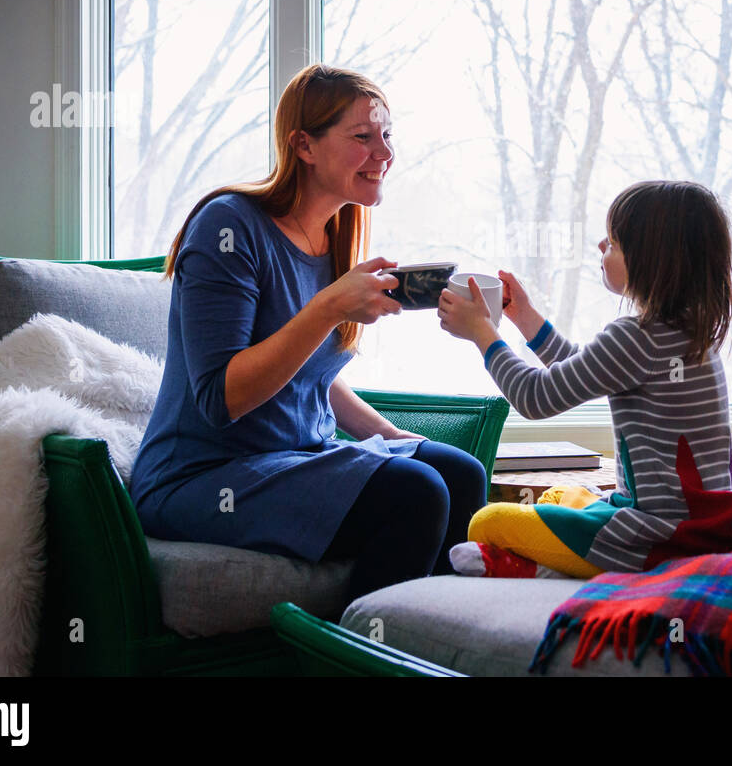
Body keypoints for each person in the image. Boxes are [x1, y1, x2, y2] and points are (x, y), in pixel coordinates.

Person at [130, 64, 488, 605]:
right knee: (414, 494)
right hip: (203, 476)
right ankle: (356, 659)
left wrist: (397, 441)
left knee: (457, 472)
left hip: (298, 456)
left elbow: (314, 378)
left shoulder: (334, 237)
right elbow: (221, 398)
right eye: (363, 137)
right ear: (304, 146)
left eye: (387, 136)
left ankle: (422, 648)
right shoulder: (228, 227)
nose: (385, 154)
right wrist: (326, 308)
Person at [436, 180, 732, 579]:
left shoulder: (637, 337)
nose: (601, 245)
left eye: (614, 242)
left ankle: (536, 567)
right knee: (561, 496)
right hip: (703, 523)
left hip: (663, 536)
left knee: (486, 523)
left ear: (652, 260)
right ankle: (558, 558)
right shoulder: (689, 332)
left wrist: (483, 334)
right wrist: (526, 319)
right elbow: (582, 368)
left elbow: (535, 397)